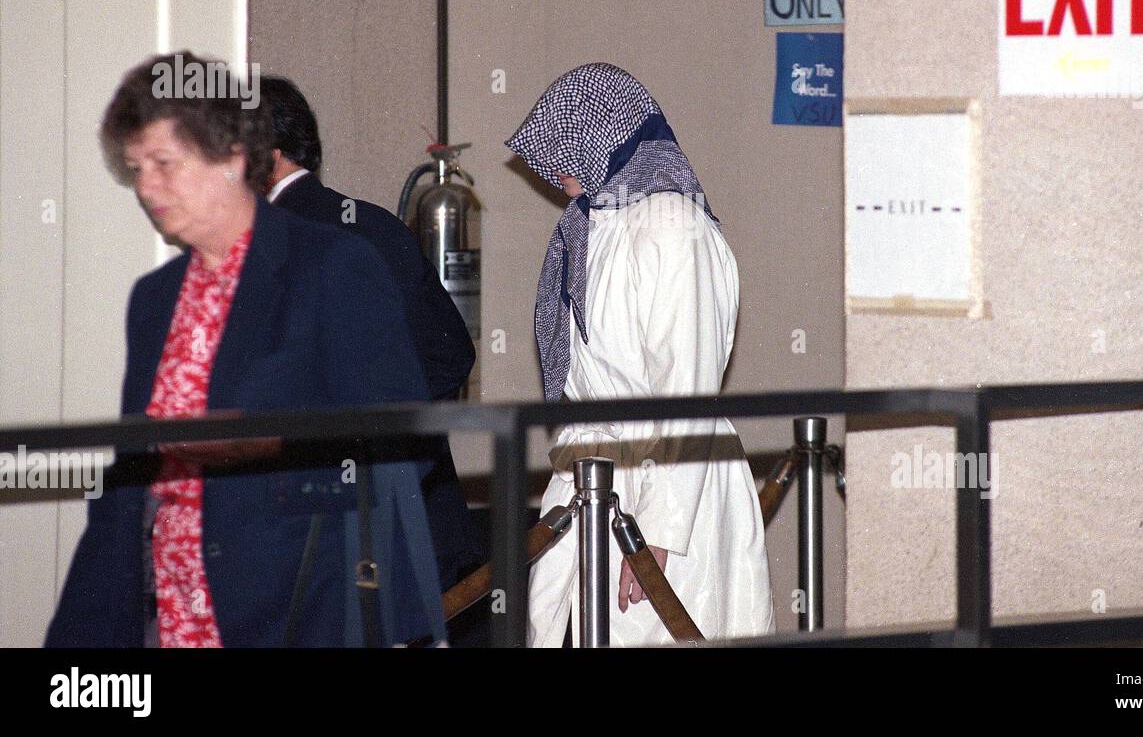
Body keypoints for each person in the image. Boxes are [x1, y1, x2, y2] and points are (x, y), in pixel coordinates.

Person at [46, 52, 445, 647]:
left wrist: (266, 446)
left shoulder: (333, 267)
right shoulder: (155, 300)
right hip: (172, 620)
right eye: (135, 169)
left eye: (163, 163)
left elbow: (407, 445)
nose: (146, 188)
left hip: (299, 612)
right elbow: (126, 493)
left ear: (232, 156)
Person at [506, 62, 776, 646]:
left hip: (671, 483)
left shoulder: (671, 225)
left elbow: (687, 387)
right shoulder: (589, 224)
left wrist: (658, 532)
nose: (552, 167)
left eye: (563, 145)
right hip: (594, 473)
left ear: (602, 134)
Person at [260, 75, 482, 591]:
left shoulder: (265, 249)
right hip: (419, 528)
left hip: (315, 544)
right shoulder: (377, 224)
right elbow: (452, 354)